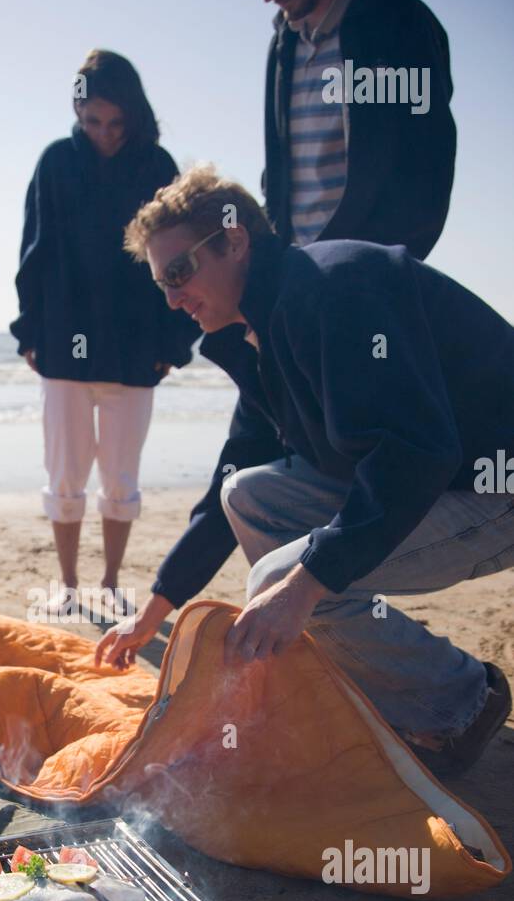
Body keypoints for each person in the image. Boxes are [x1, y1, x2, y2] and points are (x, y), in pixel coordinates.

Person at [97, 166, 513, 775]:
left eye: (179, 272)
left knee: (283, 578)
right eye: (161, 282)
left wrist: (304, 587)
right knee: (249, 495)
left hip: (492, 484)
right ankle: (391, 685)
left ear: (234, 241)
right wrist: (155, 610)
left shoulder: (333, 290)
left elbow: (416, 450)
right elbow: (228, 484)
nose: (172, 297)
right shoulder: (263, 327)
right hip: (436, 475)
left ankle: (463, 703)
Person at [10, 49, 198, 609]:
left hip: (136, 346)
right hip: (63, 342)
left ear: (135, 114)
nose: (105, 134)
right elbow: (33, 251)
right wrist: (29, 333)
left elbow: (180, 257)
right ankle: (67, 587)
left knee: (121, 478)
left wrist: (173, 343)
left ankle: (111, 583)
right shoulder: (55, 163)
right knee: (64, 475)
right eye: (93, 121)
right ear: (77, 109)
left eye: (117, 123)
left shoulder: (158, 167)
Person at [236, 0, 456, 258]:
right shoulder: (283, 44)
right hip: (296, 280)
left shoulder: (395, 22)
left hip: (369, 281)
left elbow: (424, 169)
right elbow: (280, 177)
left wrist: (368, 269)